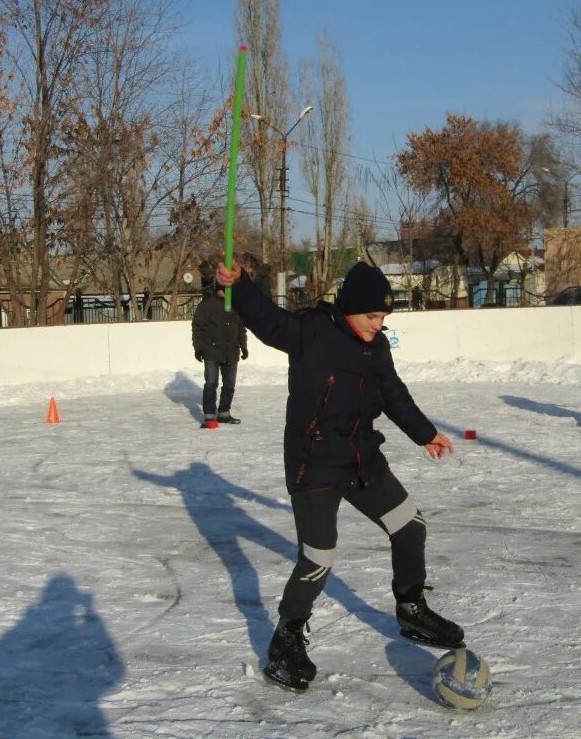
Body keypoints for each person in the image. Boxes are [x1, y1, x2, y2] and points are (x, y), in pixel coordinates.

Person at [215, 258, 463, 692]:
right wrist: (240, 285)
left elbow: (392, 393)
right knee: (318, 559)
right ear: (350, 309)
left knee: (410, 526)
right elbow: (268, 321)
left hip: (361, 457)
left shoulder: (376, 346)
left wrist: (424, 433)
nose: (378, 325)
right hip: (315, 463)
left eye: (383, 317)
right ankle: (286, 640)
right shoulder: (312, 332)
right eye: (372, 316)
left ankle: (411, 609)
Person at [192, 276, 248, 426]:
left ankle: (224, 413)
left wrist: (243, 346)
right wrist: (198, 348)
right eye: (224, 289)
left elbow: (241, 328)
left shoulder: (236, 304)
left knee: (229, 385)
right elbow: (198, 327)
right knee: (211, 383)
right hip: (211, 350)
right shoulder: (207, 304)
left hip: (231, 351)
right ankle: (209, 415)